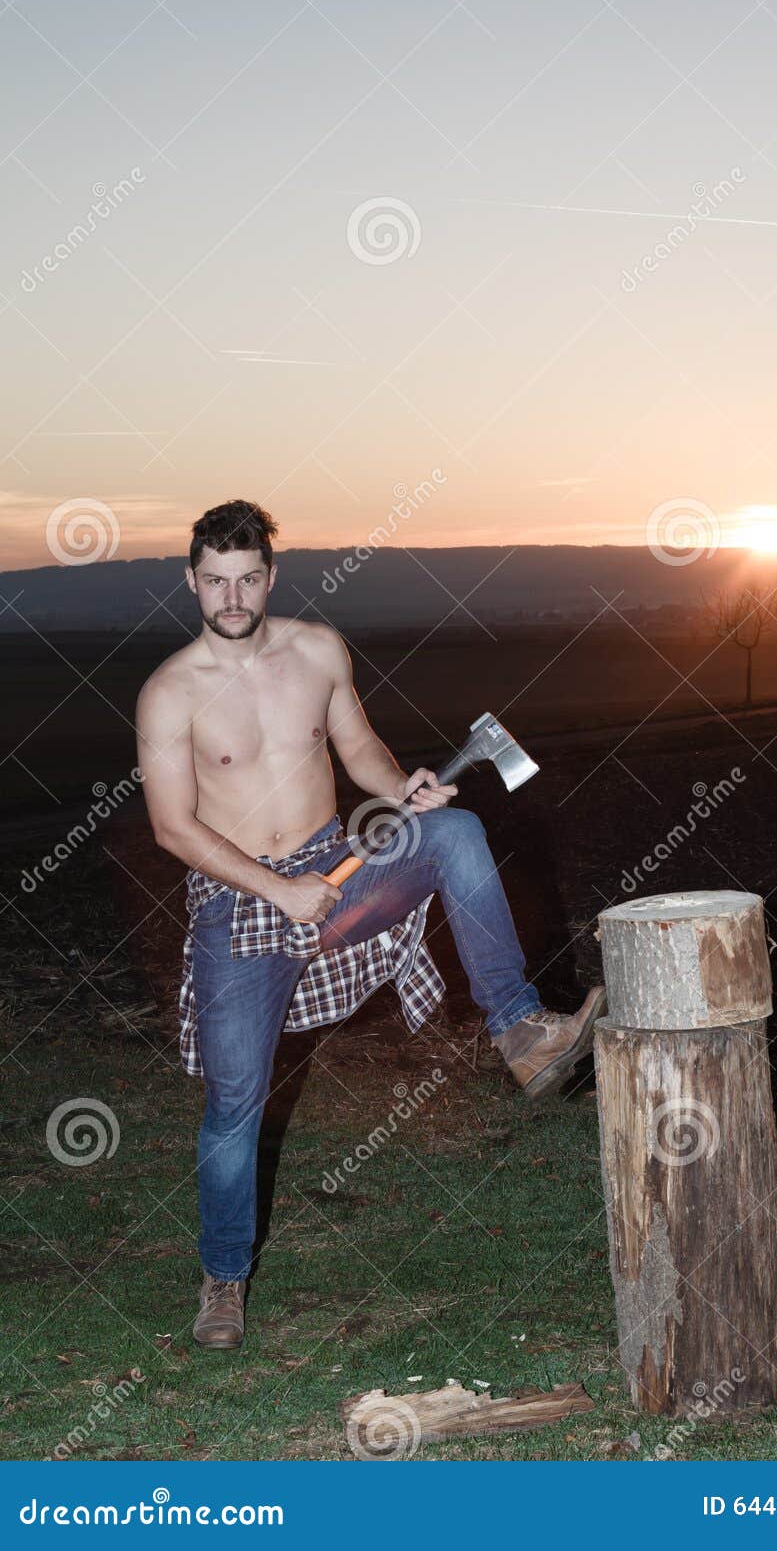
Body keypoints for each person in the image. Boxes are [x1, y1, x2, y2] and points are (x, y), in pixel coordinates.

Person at [134, 498, 604, 1349]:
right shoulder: (169, 694)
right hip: (240, 903)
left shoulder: (317, 650)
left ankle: (521, 1031)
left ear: (270, 577)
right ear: (191, 582)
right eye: (214, 582)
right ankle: (222, 1279)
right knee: (235, 1102)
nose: (232, 598)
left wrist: (401, 791)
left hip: (335, 872)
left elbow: (361, 755)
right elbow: (174, 830)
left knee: (454, 833)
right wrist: (279, 892)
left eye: (247, 580)